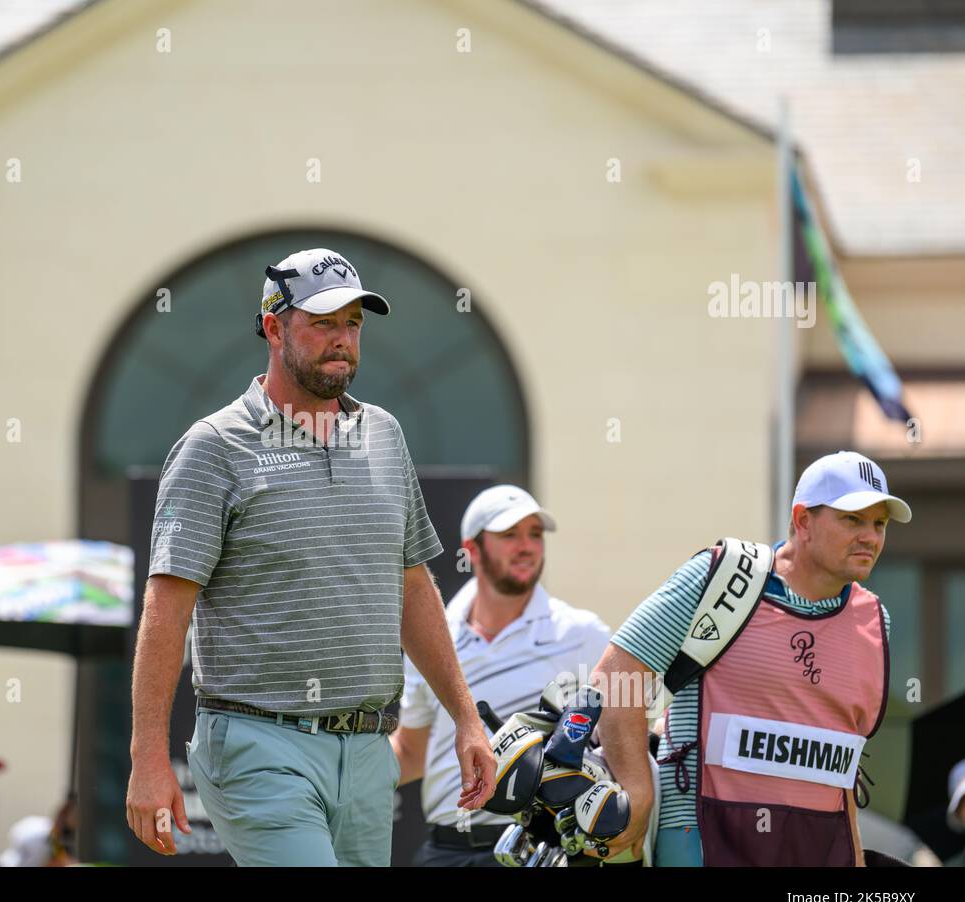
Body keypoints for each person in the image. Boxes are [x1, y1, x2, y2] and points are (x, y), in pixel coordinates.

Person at [125, 247, 497, 866]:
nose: (343, 339)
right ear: (274, 327)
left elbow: (411, 587)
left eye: (353, 323)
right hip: (257, 744)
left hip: (369, 752)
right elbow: (166, 611)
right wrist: (146, 759)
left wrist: (465, 718)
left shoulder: (384, 433)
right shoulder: (213, 447)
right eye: (323, 322)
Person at [593, 451, 910, 866]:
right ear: (803, 521)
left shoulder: (874, 620)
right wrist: (638, 793)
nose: (870, 536)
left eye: (879, 524)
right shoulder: (724, 576)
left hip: (820, 843)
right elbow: (616, 677)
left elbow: (842, 764)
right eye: (852, 519)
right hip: (701, 835)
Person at [393, 484, 612, 865]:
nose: (526, 546)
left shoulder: (582, 634)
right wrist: (331, 769)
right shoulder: (432, 635)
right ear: (472, 550)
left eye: (535, 534)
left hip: (540, 850)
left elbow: (622, 736)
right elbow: (412, 751)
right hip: (445, 850)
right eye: (509, 535)